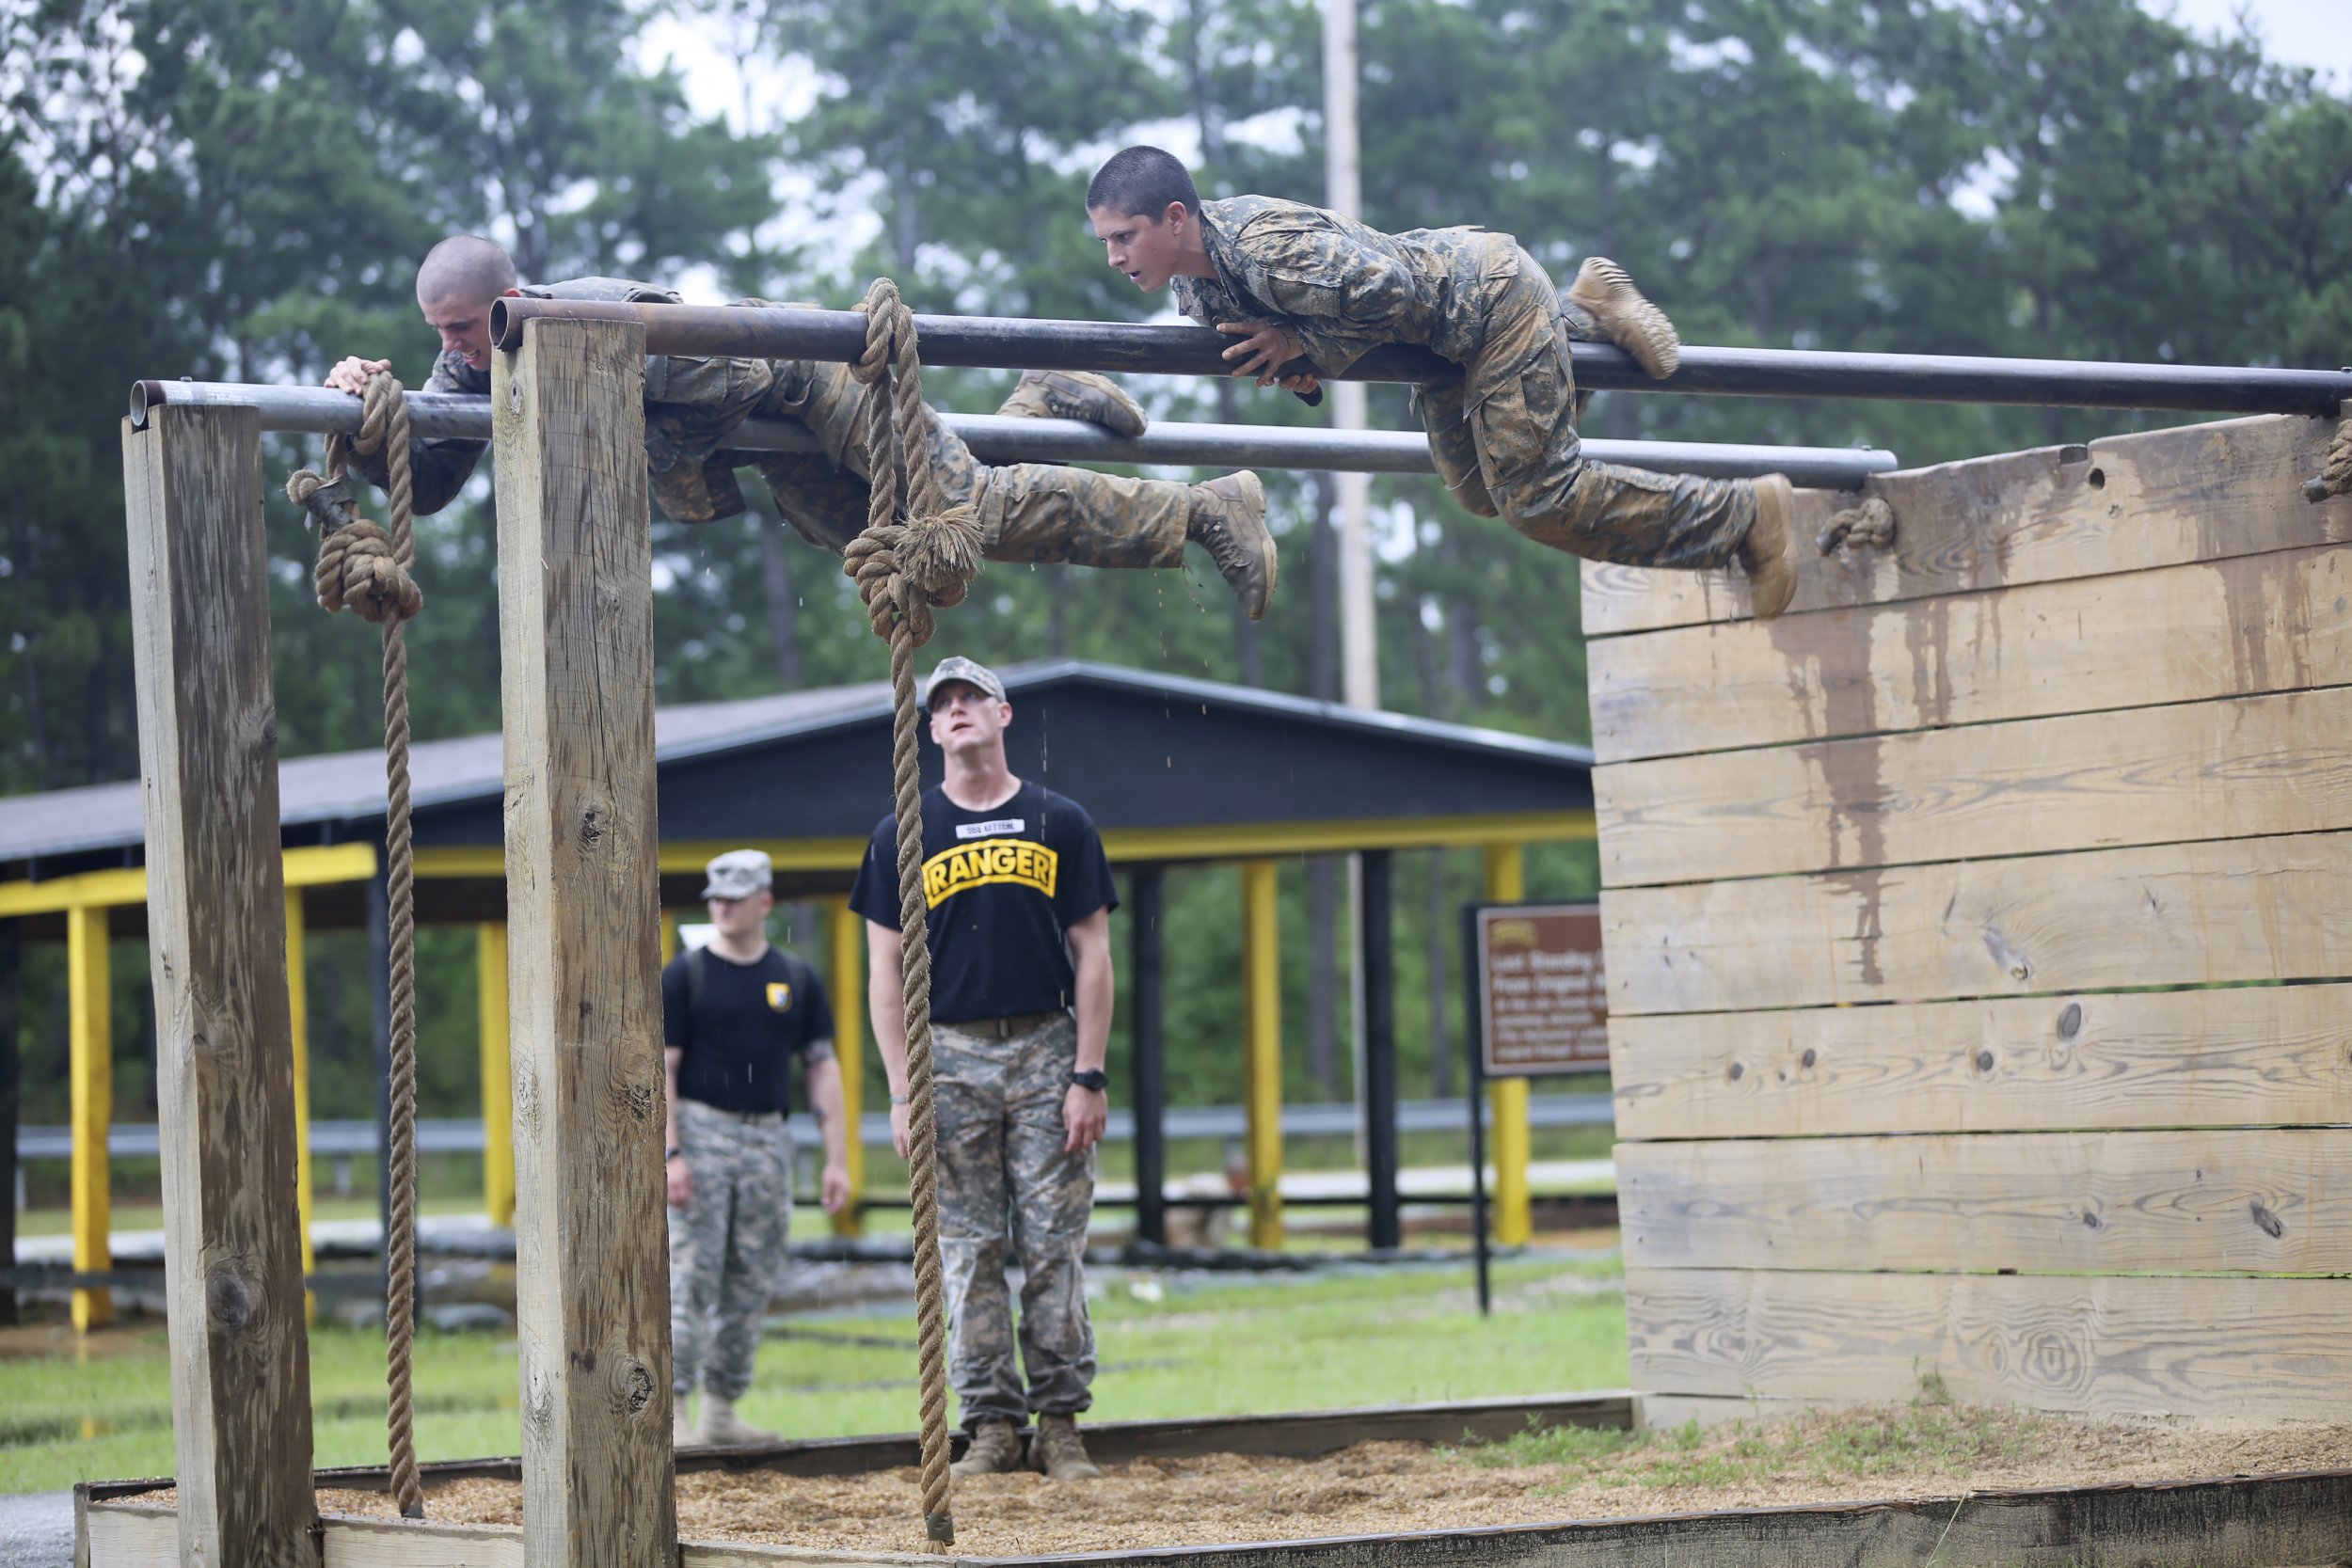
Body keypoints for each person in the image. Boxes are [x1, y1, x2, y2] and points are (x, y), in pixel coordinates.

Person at [322, 235, 1278, 619]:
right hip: (768, 450)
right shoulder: (480, 359)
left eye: (467, 329)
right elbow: (437, 480)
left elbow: (713, 386)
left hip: (812, 388)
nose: (460, 352)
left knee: (959, 512)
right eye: (442, 338)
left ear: (512, 298)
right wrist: (376, 418)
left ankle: (1203, 508)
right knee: (897, 534)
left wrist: (540, 388)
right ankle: (1035, 404)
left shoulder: (585, 318)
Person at [1083, 147, 1804, 617]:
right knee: (1479, 492)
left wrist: (1302, 340)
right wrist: (1299, 363)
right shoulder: (1199, 289)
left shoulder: (1265, 251)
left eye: (1125, 237)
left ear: (1176, 218)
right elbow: (1323, 332)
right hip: (1440, 349)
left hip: (1486, 304)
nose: (1115, 258)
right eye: (1105, 242)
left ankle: (1744, 518)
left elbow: (1390, 290)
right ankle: (1584, 313)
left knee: (1537, 495)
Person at [849, 657, 1115, 1483]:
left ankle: (1062, 1423)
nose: (957, 711)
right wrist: (901, 1090)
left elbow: (1095, 953)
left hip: (1044, 1046)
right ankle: (991, 1423)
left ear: (1003, 714)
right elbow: (884, 974)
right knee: (965, 1249)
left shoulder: (1058, 819)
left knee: (1052, 1245)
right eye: (943, 705)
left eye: (971, 699)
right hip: (949, 1057)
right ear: (929, 730)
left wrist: (1089, 1074)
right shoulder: (903, 831)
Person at [662, 849, 850, 1447]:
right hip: (700, 1130)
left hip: (768, 1135)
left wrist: (837, 1157)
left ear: (764, 903)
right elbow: (661, 1069)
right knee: (691, 1273)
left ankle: (722, 1406)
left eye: (736, 898)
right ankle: (673, 1410)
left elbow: (822, 1065)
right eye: (716, 896)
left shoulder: (794, 978)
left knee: (753, 1275)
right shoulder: (685, 975)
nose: (723, 906)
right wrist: (671, 1154)